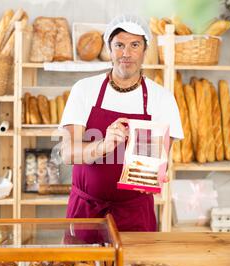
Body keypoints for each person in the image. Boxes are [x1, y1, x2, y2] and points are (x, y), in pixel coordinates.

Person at [60, 14, 183, 232]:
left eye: (135, 45)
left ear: (145, 50)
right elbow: (68, 153)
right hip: (86, 212)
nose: (126, 53)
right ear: (109, 49)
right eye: (119, 45)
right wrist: (103, 146)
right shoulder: (84, 89)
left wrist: (155, 174)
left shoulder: (162, 98)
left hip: (135, 214)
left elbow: (157, 162)